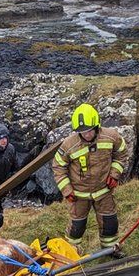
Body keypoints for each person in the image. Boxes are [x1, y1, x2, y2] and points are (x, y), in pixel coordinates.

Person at [52, 103, 129, 254]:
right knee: (77, 227)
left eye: (89, 130)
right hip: (79, 195)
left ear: (96, 125)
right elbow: (58, 167)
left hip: (104, 191)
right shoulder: (69, 145)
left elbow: (121, 153)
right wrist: (67, 190)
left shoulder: (111, 137)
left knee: (110, 223)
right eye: (82, 132)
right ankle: (71, 254)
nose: (86, 134)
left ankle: (110, 251)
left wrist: (114, 174)